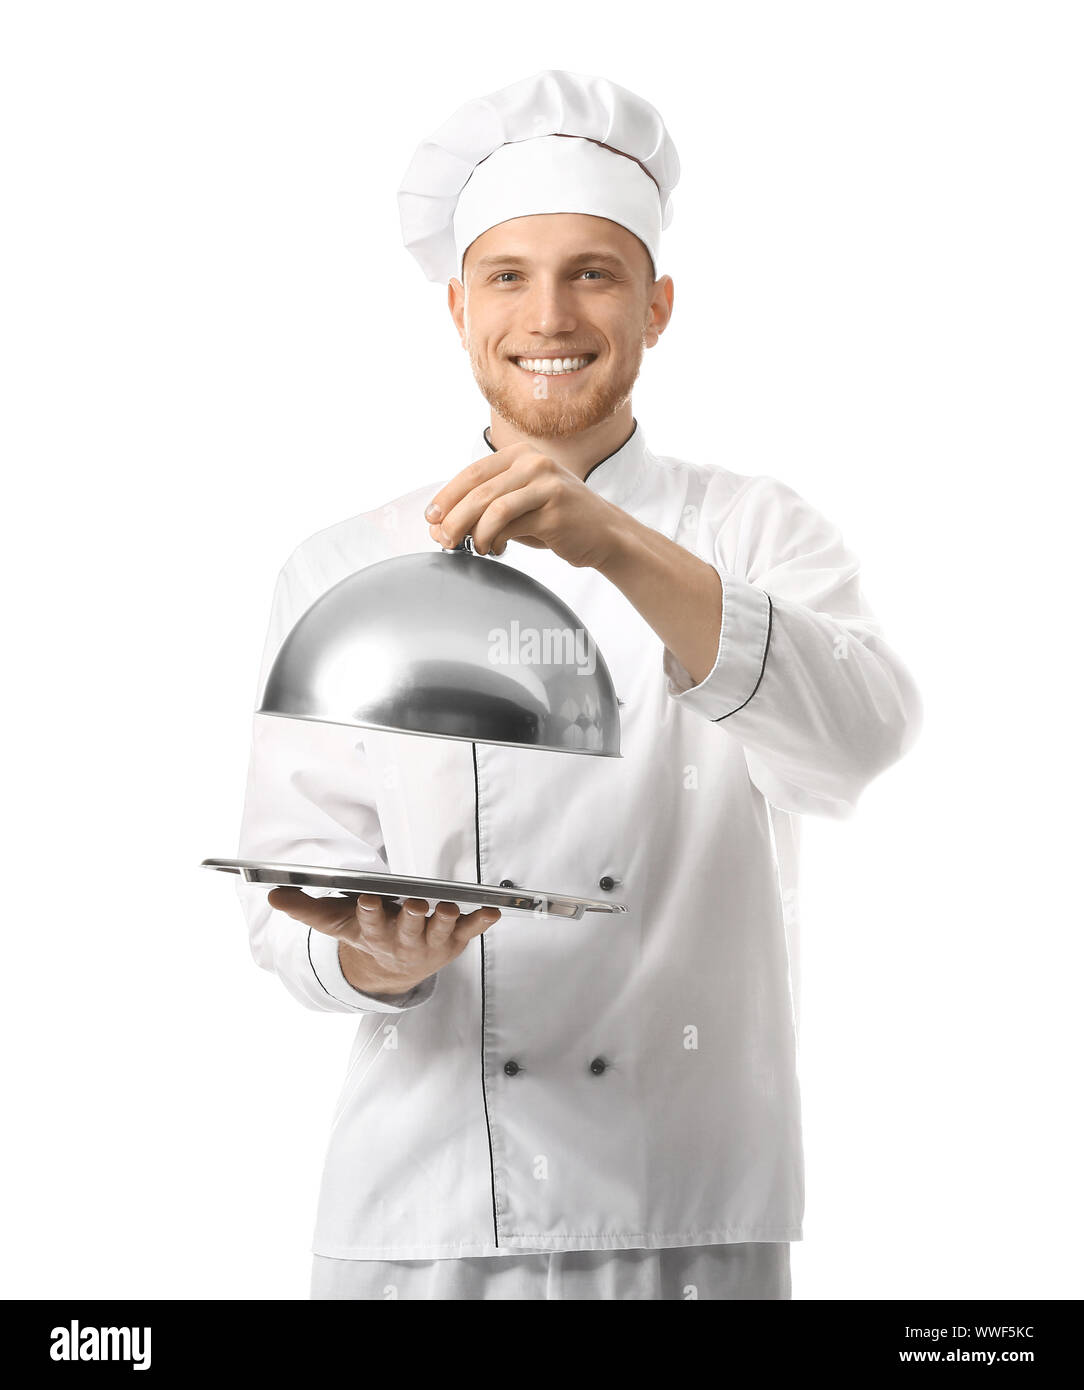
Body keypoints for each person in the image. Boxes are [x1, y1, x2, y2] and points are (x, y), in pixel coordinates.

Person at [232, 69, 923, 1301]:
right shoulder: (346, 566)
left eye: (593, 273)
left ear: (657, 307)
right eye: (509, 275)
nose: (549, 312)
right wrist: (373, 962)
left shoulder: (754, 530)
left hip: (689, 1203)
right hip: (425, 1202)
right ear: (457, 308)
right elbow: (282, 906)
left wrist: (615, 543)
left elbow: (862, 741)